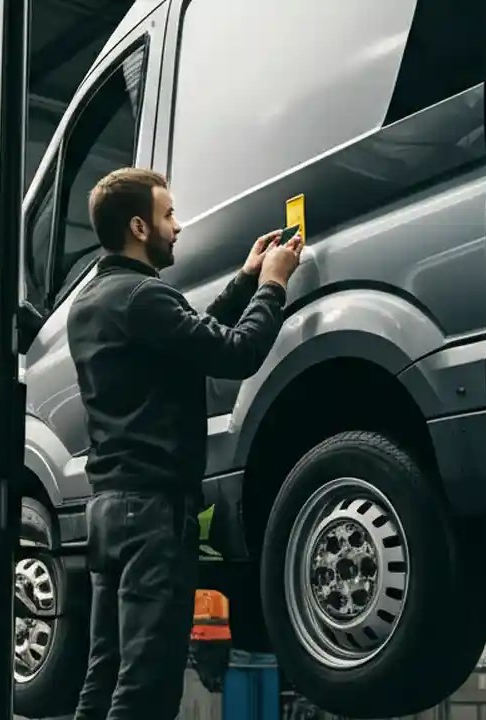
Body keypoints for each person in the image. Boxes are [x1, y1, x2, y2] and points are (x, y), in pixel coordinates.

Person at [67, 167, 301, 719]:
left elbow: (189, 340)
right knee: (148, 685)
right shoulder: (144, 297)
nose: (178, 226)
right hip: (151, 515)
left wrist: (245, 279)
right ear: (139, 227)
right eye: (168, 214)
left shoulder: (94, 302)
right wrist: (274, 285)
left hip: (109, 512)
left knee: (105, 672)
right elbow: (235, 352)